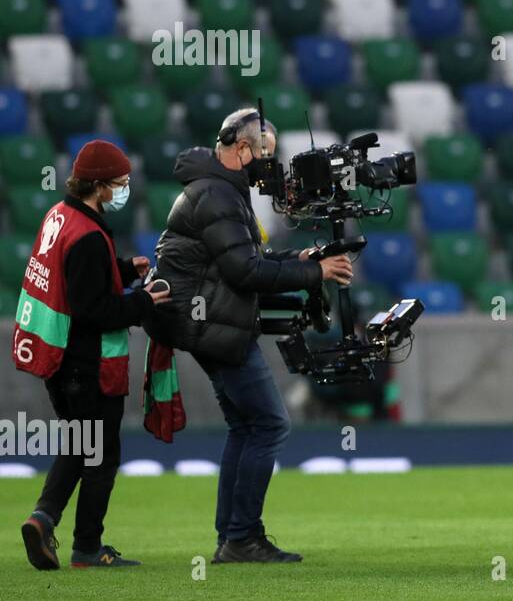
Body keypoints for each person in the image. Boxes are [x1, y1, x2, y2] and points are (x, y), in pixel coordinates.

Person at [152, 109, 354, 563]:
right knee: (269, 424)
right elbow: (244, 271)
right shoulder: (219, 196)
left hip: (207, 321)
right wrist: (313, 271)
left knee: (246, 426)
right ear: (242, 149)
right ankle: (241, 538)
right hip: (213, 325)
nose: (271, 164)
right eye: (266, 154)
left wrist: (300, 258)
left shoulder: (218, 189)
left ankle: (234, 537)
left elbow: (245, 257)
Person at [16, 139, 170, 569]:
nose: (123, 189)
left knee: (80, 445)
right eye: (118, 183)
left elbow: (77, 281)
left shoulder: (61, 216)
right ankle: (87, 547)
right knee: (101, 457)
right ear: (98, 185)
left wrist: (121, 269)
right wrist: (143, 302)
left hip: (61, 358)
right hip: (87, 363)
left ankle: (42, 519)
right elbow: (93, 310)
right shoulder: (86, 234)